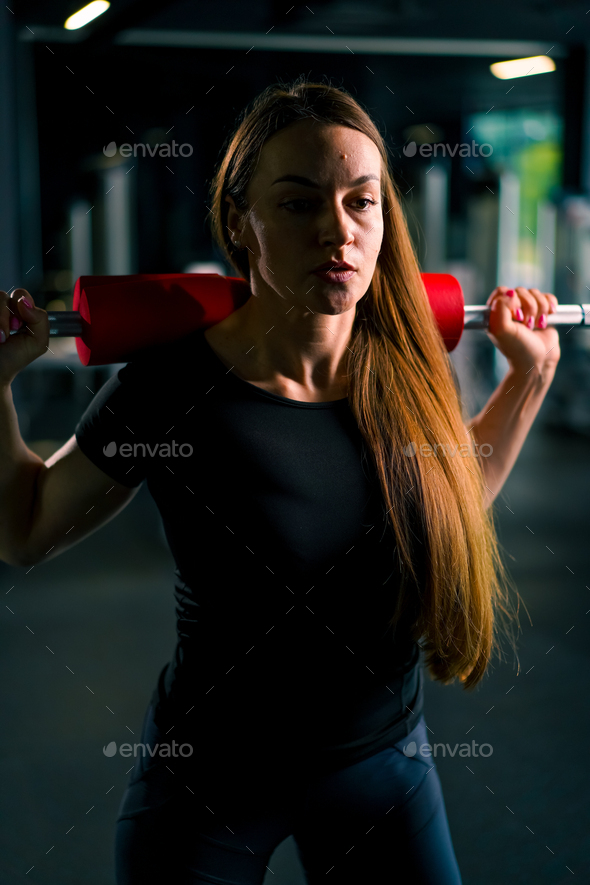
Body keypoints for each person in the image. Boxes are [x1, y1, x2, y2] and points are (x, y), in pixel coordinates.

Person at [0, 78, 560, 885]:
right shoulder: (168, 389)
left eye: (361, 202)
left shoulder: (408, 366)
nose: (339, 231)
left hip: (387, 767)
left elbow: (447, 505)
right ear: (241, 223)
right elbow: (22, 527)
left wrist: (528, 379)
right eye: (299, 205)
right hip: (210, 781)